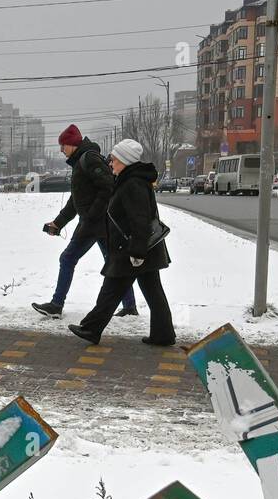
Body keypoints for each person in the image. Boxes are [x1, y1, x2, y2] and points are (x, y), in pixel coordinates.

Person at [67, 139, 176, 347]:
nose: (110, 163)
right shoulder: (128, 180)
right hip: (140, 248)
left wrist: (137, 252)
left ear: (124, 161)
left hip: (134, 249)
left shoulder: (133, 184)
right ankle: (163, 334)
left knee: (112, 288)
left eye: (114, 159)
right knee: (153, 292)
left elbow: (140, 219)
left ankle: (91, 328)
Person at [32, 124, 136, 319]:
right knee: (113, 262)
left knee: (68, 258)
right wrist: (58, 223)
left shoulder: (89, 159)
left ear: (72, 144)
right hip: (96, 223)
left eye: (63, 145)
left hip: (95, 223)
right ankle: (129, 306)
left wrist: (91, 215)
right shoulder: (82, 161)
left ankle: (56, 304)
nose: (62, 150)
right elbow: (76, 200)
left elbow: (107, 187)